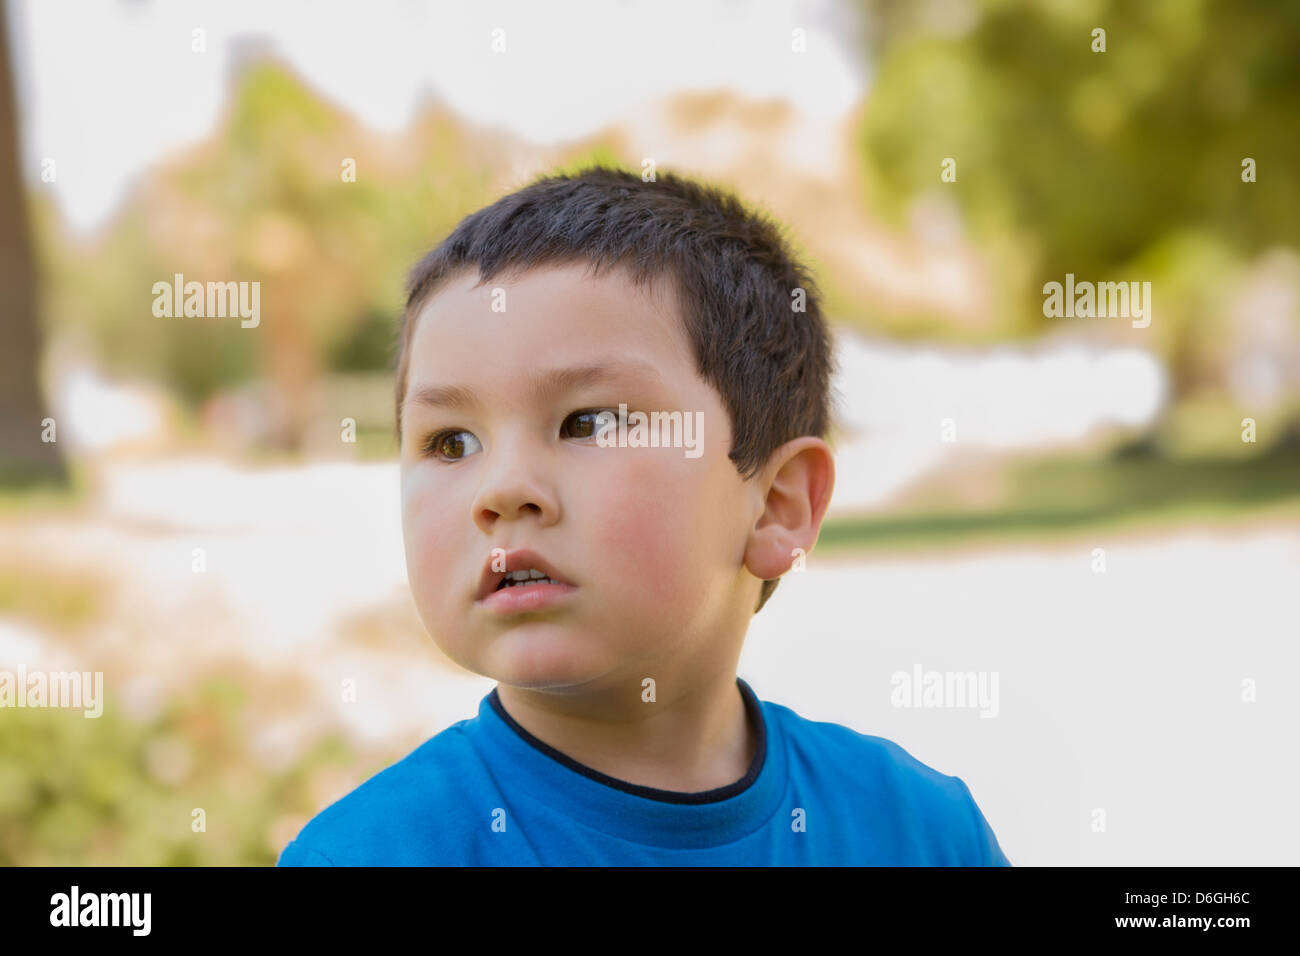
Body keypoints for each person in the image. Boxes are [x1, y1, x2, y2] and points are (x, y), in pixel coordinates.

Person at [277, 165, 1011, 865]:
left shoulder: (919, 832)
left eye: (588, 423)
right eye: (450, 441)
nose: (501, 491)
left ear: (777, 506)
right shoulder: (368, 855)